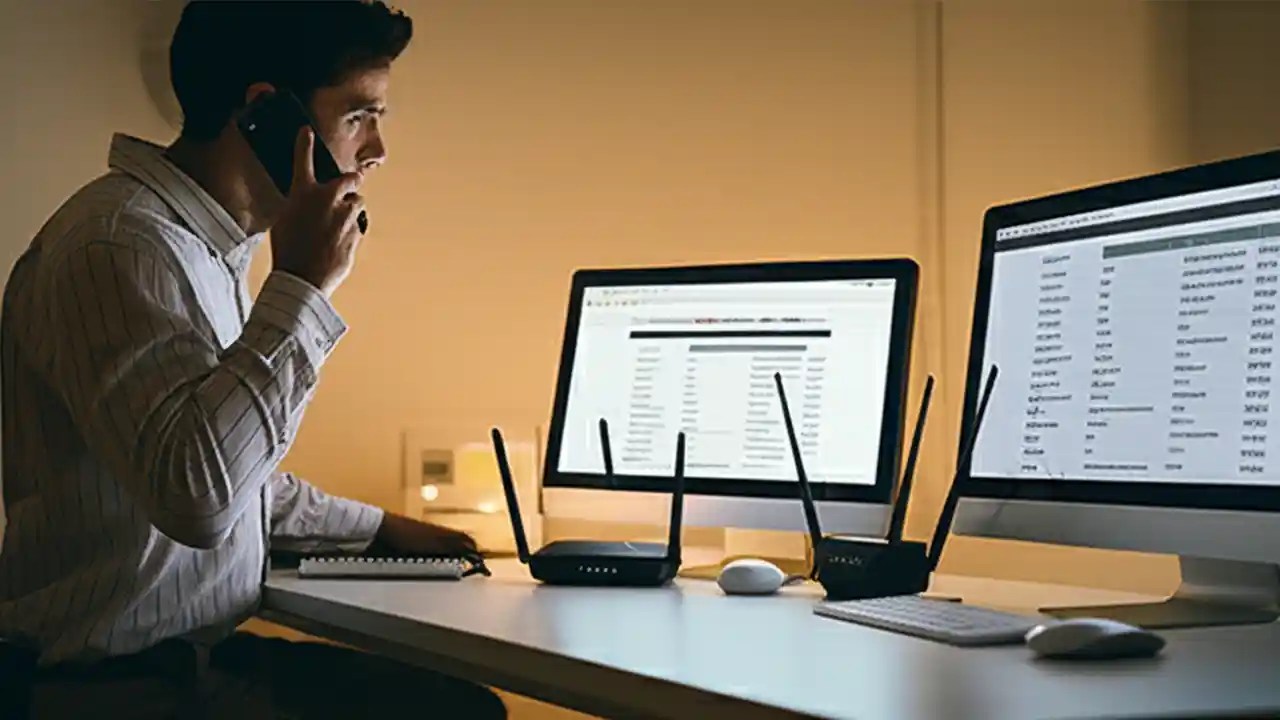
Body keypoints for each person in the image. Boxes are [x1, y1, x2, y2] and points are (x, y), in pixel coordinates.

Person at [0, 1, 505, 717]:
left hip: (184, 668)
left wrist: (376, 528)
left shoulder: (201, 250)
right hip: (109, 693)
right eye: (361, 114)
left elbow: (233, 475)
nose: (378, 149)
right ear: (270, 113)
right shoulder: (118, 248)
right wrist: (300, 286)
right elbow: (197, 496)